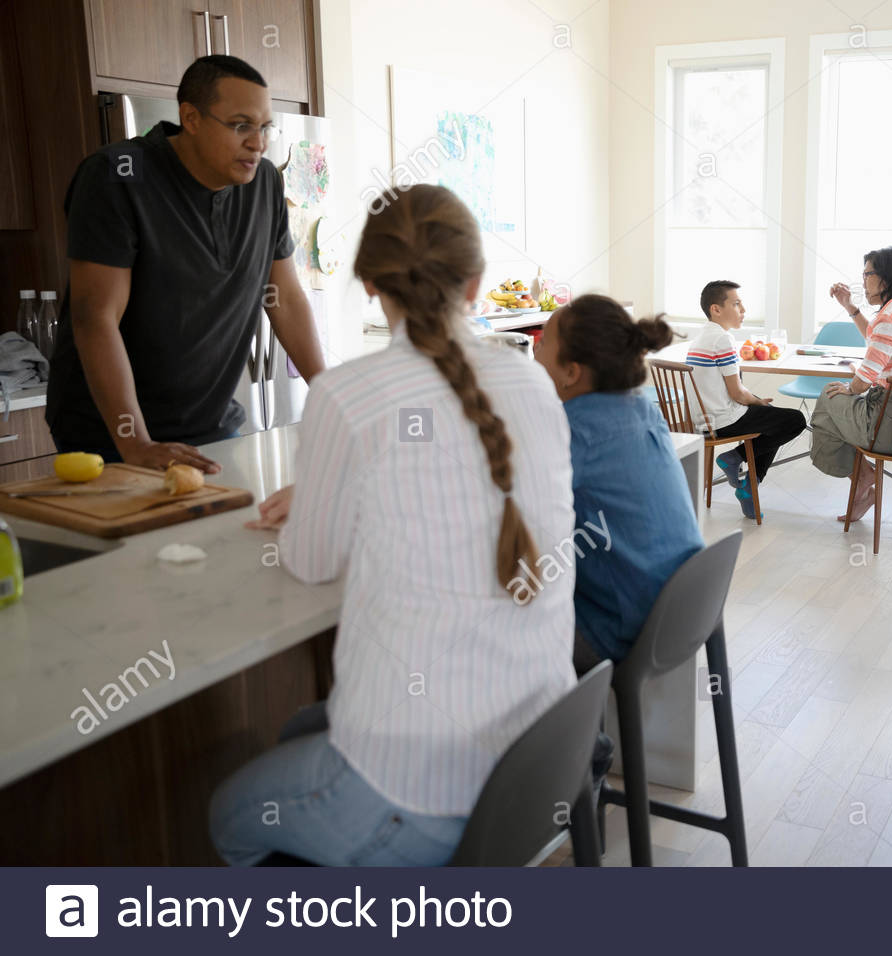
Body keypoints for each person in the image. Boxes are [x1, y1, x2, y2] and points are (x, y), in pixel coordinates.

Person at [208, 185, 577, 866]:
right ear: (476, 283)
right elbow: (468, 484)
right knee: (300, 727)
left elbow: (313, 562)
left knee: (227, 814)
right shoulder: (532, 384)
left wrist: (329, 497)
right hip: (537, 763)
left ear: (371, 283)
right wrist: (350, 490)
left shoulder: (346, 396)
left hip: (414, 796)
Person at [46, 55, 326, 474]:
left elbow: (284, 298)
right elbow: (95, 318)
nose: (258, 142)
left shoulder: (265, 184)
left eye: (264, 127)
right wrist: (136, 444)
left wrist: (329, 396)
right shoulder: (116, 178)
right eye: (240, 125)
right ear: (191, 118)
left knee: (229, 536)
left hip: (213, 426)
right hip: (110, 437)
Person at [533, 294, 704, 670]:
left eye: (542, 341)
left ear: (571, 372)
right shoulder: (642, 406)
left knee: (510, 620)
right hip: (688, 607)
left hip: (630, 632)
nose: (534, 349)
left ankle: (575, 728)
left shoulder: (571, 433)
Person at [811, 246, 892, 523]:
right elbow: (877, 340)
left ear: (886, 279)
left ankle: (862, 477)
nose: (863, 280)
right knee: (836, 408)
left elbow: (864, 378)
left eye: (868, 274)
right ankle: (862, 483)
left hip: (890, 428)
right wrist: (850, 308)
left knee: (827, 399)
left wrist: (851, 387)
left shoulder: (889, 318)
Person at [687, 280, 806, 518]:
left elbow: (732, 390)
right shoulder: (723, 340)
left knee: (769, 418)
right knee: (794, 420)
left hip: (703, 420)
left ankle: (748, 489)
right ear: (716, 309)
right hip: (722, 421)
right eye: (737, 304)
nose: (743, 311)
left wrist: (758, 403)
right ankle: (737, 461)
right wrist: (757, 402)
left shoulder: (702, 337)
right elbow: (737, 393)